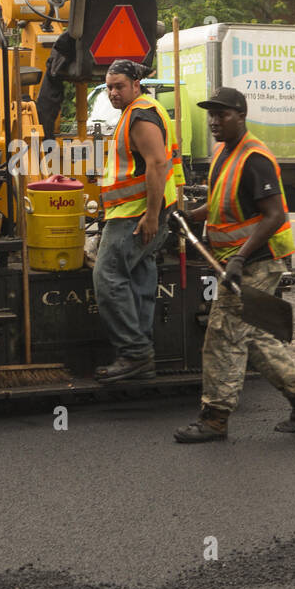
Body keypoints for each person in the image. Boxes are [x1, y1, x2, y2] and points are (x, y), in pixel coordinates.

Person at [172, 87, 295, 442]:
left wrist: (239, 258)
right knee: (254, 337)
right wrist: (189, 216)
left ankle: (215, 418)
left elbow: (273, 215)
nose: (213, 122)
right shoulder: (226, 153)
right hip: (238, 261)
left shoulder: (255, 158)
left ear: (241, 115)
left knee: (222, 335)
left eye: (222, 115)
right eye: (211, 115)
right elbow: (224, 202)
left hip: (257, 261)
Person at [93, 59, 185, 382]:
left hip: (135, 216)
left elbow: (158, 164)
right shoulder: (148, 109)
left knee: (107, 276)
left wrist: (151, 216)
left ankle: (133, 353)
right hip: (144, 213)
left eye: (119, 86)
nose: (113, 92)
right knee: (140, 276)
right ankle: (142, 351)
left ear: (136, 85)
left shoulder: (140, 115)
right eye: (109, 87)